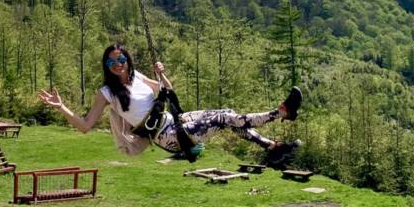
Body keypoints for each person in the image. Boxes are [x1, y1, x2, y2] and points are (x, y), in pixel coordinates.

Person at [38, 43, 303, 164]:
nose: (117, 65)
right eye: (111, 63)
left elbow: (167, 90)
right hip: (167, 136)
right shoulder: (107, 92)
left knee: (228, 114)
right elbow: (85, 126)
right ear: (106, 67)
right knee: (224, 119)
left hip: (176, 121)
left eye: (121, 60)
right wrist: (61, 107)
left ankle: (272, 146)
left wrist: (161, 72)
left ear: (128, 61)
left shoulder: (137, 76)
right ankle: (281, 112)